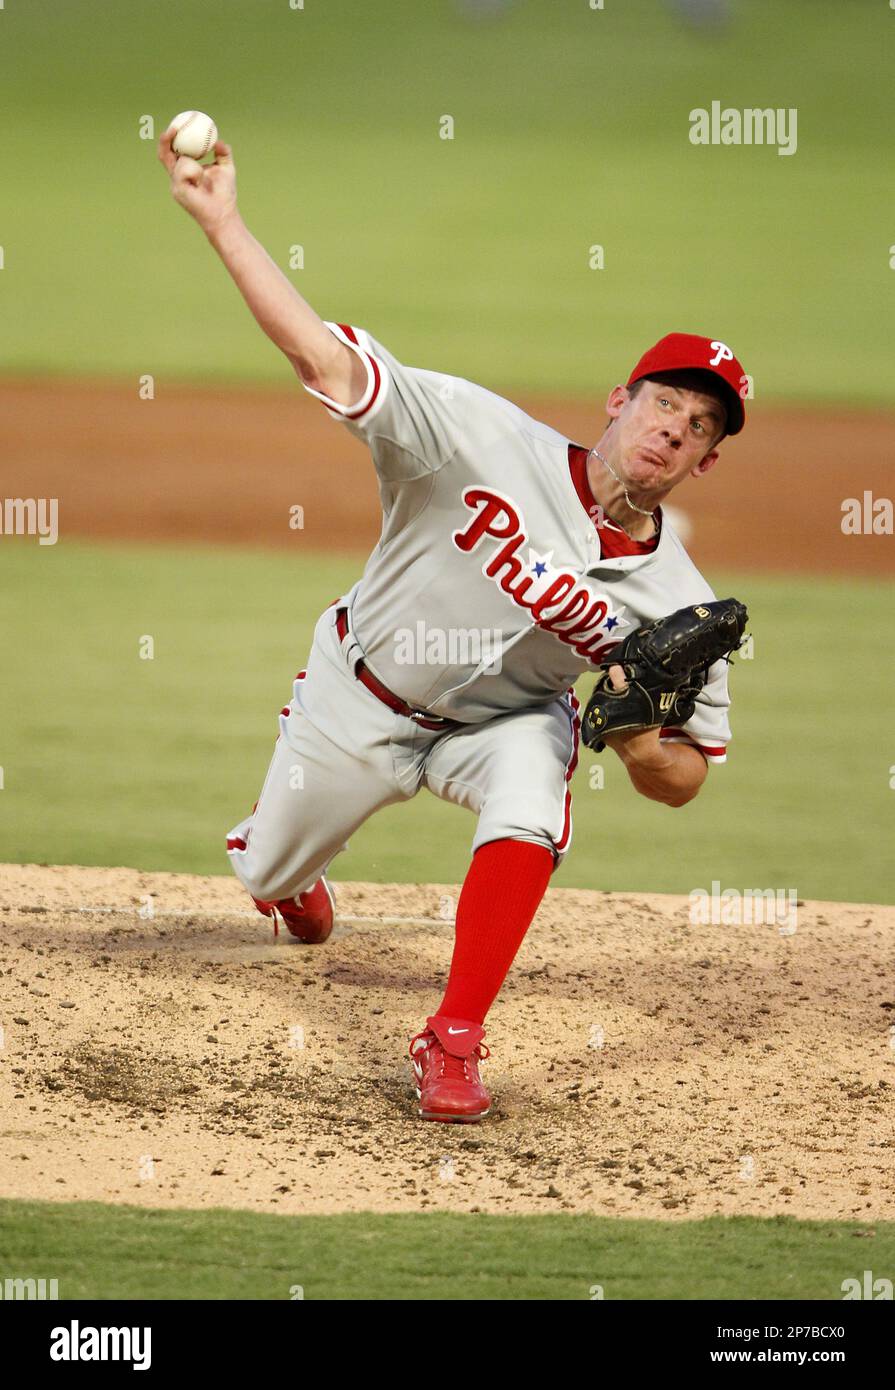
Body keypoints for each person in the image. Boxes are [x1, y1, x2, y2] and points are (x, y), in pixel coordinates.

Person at [158, 129, 747, 1123]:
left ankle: (453, 1040)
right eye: (662, 404)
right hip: (361, 692)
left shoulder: (680, 599)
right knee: (269, 869)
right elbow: (322, 356)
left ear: (706, 460)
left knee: (536, 791)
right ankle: (288, 875)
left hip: (502, 723)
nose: (672, 429)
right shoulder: (474, 433)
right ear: (618, 400)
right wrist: (222, 221)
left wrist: (642, 737)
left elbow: (686, 777)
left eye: (699, 427)